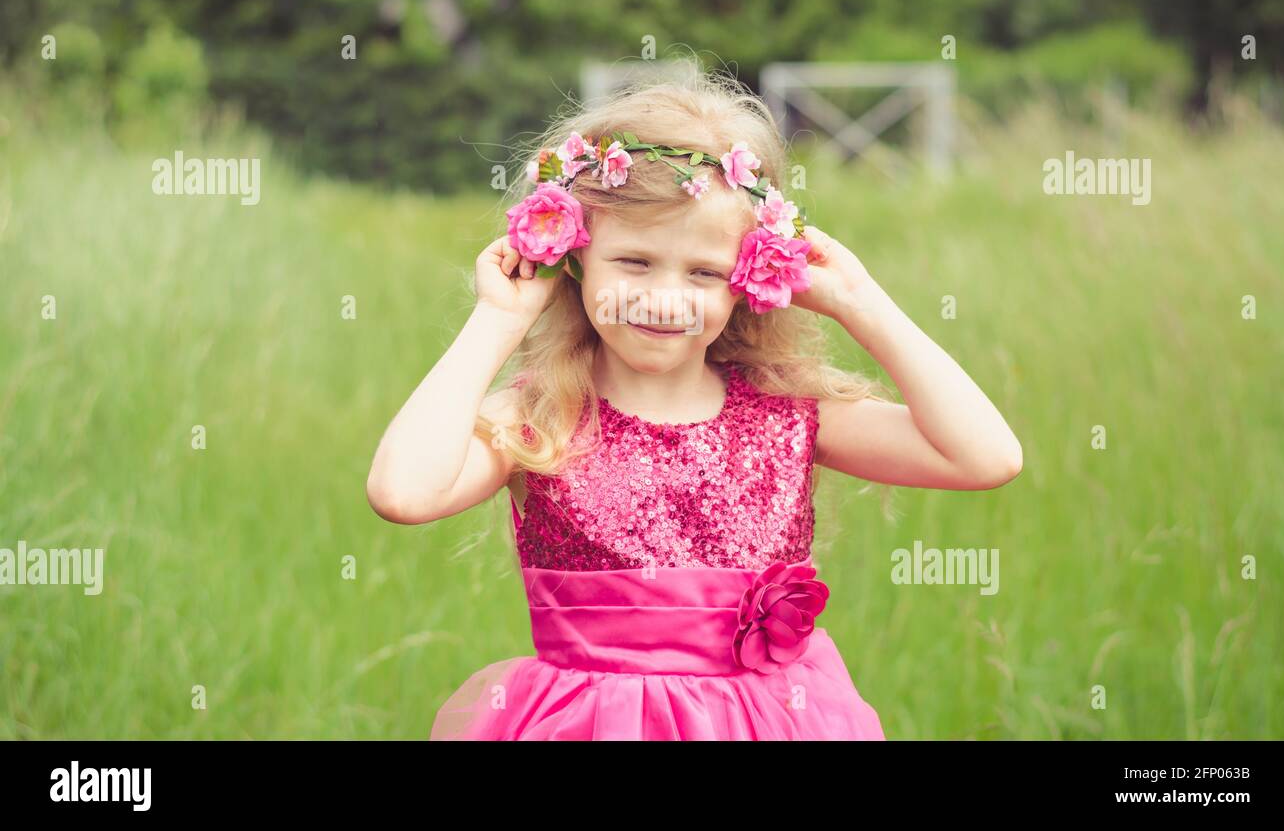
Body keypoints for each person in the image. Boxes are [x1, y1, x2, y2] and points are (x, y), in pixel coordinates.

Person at [366, 65, 1022, 739]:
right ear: (574, 258)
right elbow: (402, 493)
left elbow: (986, 456)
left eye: (704, 272)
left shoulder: (784, 411)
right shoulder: (543, 415)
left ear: (747, 279)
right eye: (634, 261)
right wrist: (498, 320)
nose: (664, 298)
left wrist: (862, 303)